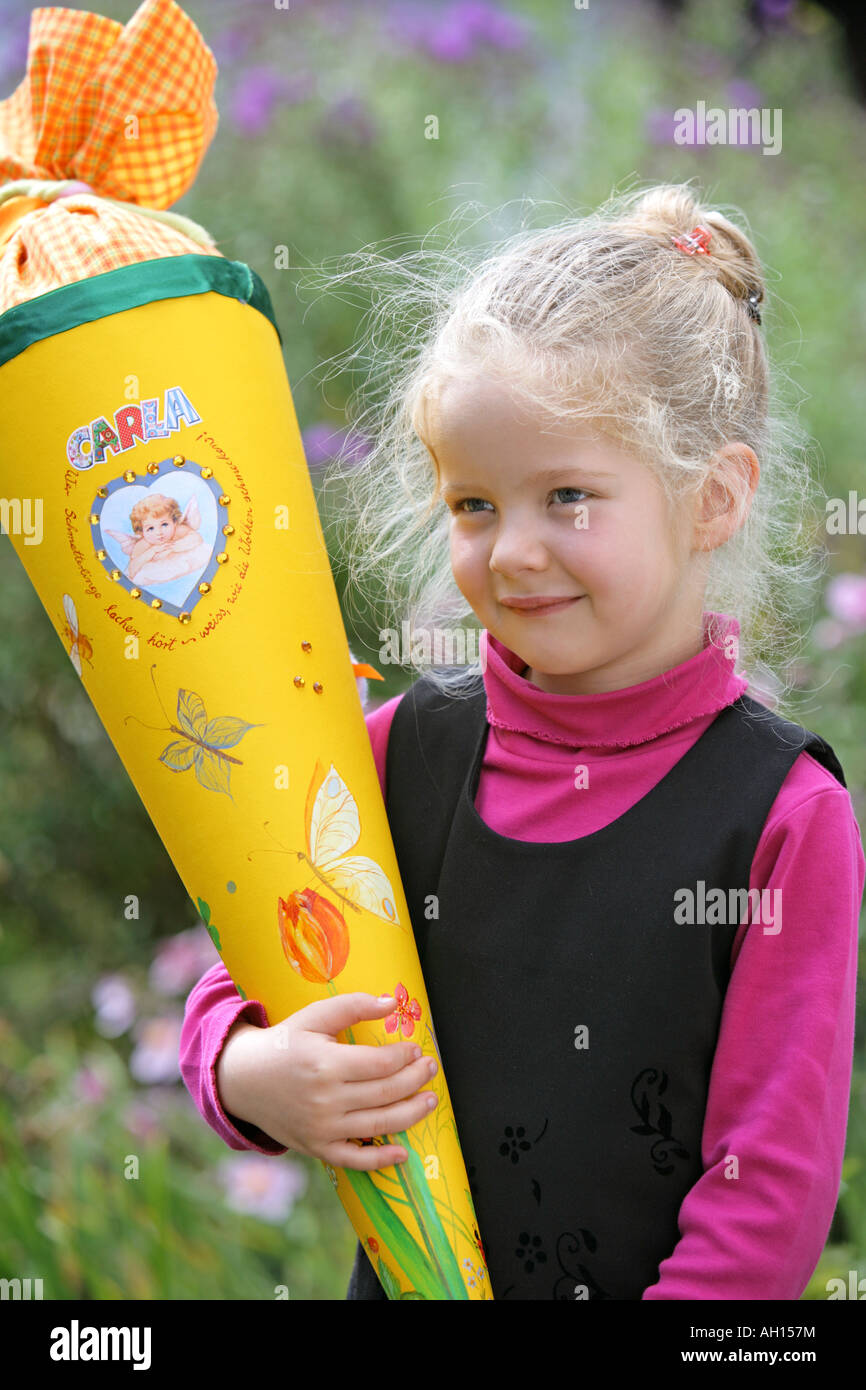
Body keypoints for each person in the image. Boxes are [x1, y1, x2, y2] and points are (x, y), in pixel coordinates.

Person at [180, 183, 864, 1300]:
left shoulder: (779, 820)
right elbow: (242, 977)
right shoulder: (402, 754)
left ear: (711, 498)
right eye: (474, 505)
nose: (512, 553)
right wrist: (253, 1071)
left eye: (566, 496)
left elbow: (764, 1211)